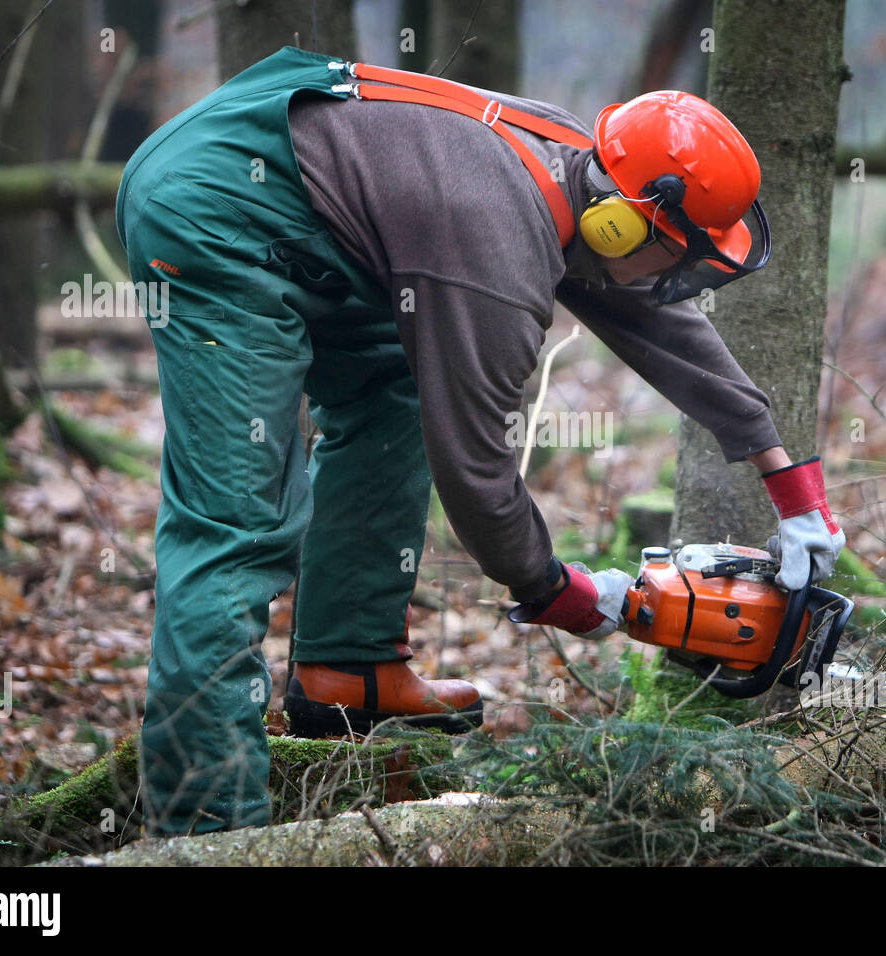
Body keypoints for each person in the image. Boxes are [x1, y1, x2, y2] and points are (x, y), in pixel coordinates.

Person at [115, 46, 845, 836]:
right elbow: (475, 472)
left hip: (317, 215)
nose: (681, 283)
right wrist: (556, 590)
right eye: (682, 259)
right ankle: (205, 822)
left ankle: (348, 669)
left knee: (389, 386)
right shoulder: (494, 254)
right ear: (621, 219)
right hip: (215, 208)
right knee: (237, 518)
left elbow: (659, 322)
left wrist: (792, 485)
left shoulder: (579, 165)